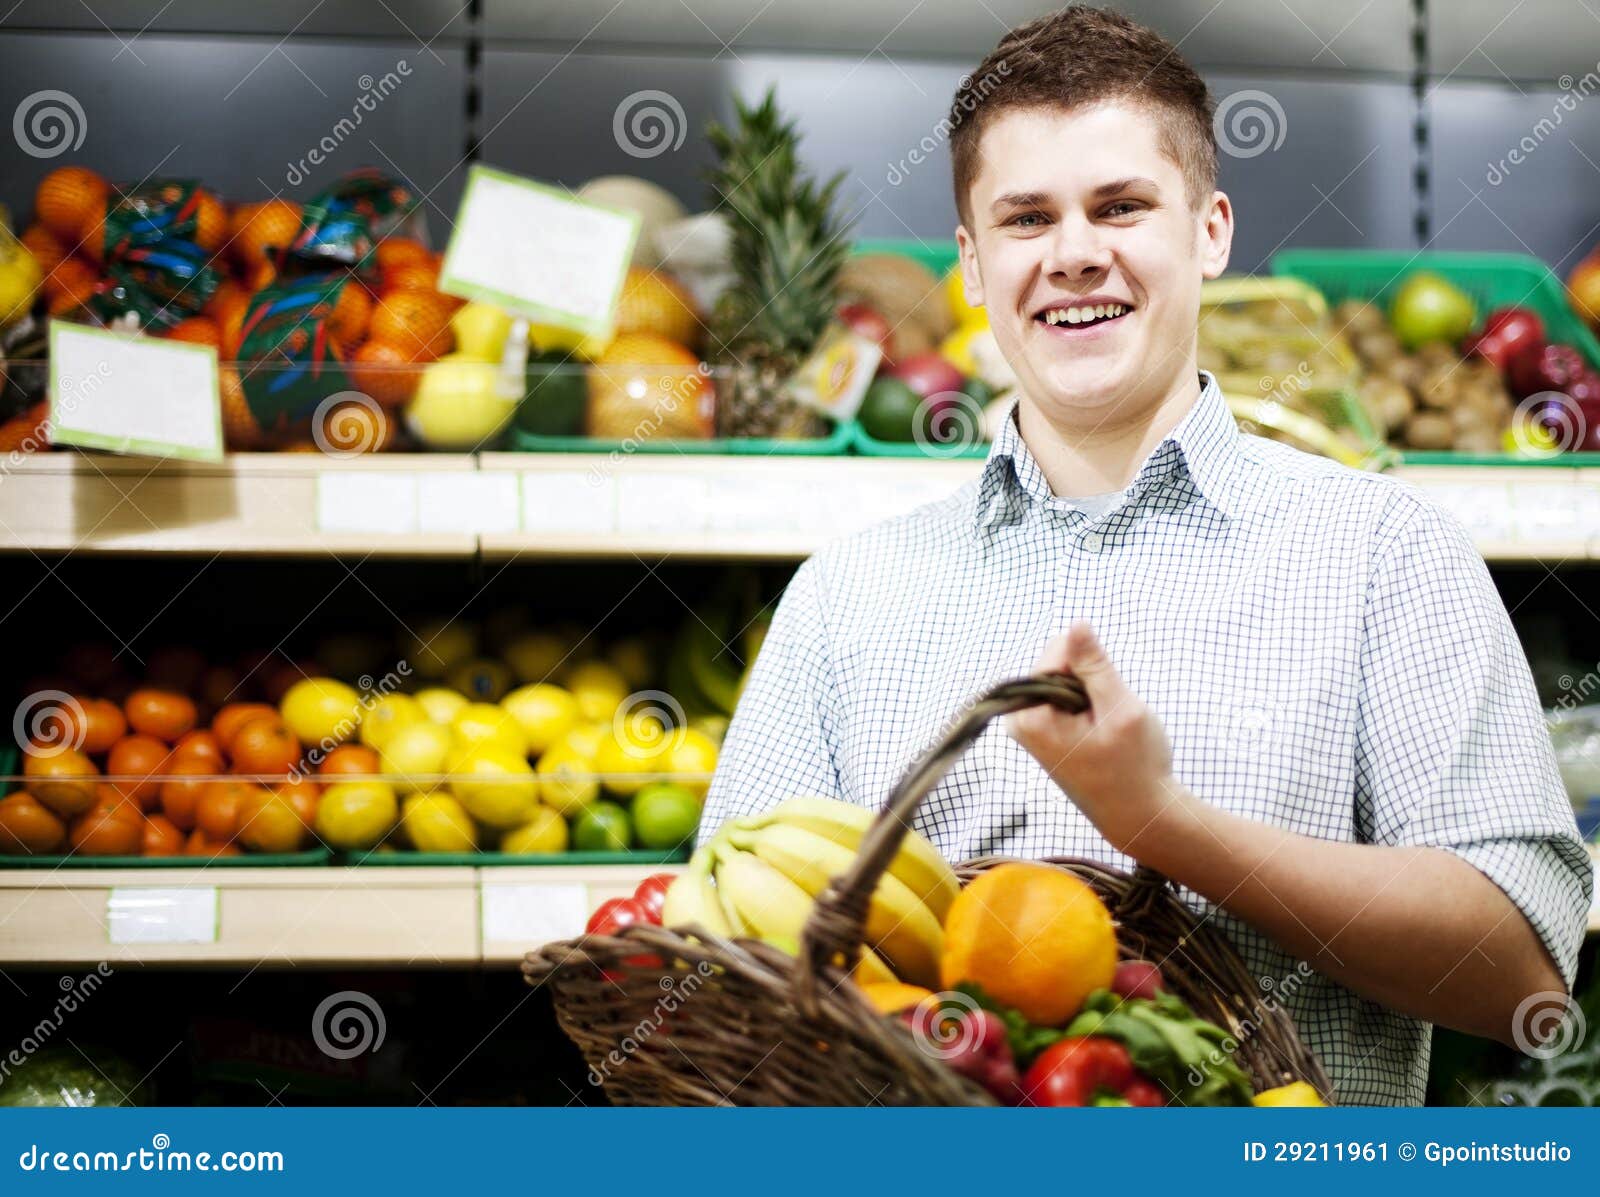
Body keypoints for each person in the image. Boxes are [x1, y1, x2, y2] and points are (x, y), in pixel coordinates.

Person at [699, 6, 1591, 1105]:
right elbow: (719, 967)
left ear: (1209, 231)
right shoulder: (848, 596)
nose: (1075, 254)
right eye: (1026, 220)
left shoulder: (1383, 554)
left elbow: (1518, 974)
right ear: (972, 266)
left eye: (1120, 207)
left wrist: (1162, 824)